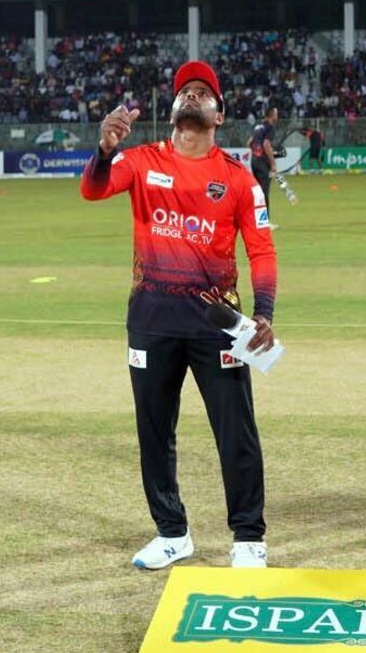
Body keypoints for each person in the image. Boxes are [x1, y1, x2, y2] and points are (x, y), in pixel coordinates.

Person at [80, 60, 278, 570]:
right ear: (171, 110)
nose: (191, 96)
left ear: (220, 113)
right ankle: (172, 534)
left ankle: (248, 539)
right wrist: (104, 150)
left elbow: (262, 250)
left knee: (236, 433)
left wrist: (265, 313)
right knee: (154, 432)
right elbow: (93, 189)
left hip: (218, 326)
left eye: (202, 92)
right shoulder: (141, 160)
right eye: (184, 91)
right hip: (151, 319)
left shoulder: (237, 178)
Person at [249, 107, 279, 227]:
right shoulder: (270, 127)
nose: (278, 116)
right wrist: (272, 163)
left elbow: (249, 142)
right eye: (276, 113)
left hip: (254, 160)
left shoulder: (258, 127)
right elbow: (266, 144)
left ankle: (255, 219)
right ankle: (264, 221)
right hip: (262, 163)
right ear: (271, 115)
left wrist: (256, 152)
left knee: (257, 192)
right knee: (264, 192)